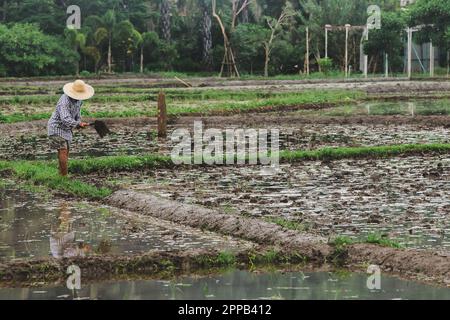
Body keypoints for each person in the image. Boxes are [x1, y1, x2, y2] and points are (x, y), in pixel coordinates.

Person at [48, 80, 94, 176]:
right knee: (63, 150)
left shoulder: (79, 101)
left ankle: (61, 175)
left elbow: (77, 114)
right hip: (56, 128)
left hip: (67, 129)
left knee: (66, 152)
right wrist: (77, 125)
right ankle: (64, 177)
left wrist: (79, 122)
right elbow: (65, 118)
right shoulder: (64, 101)